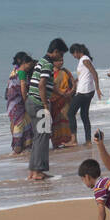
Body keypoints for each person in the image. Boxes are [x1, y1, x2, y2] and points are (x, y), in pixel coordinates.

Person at [27, 39, 68, 181]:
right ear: (55, 52)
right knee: (43, 137)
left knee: (39, 137)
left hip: (32, 102)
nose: (61, 58)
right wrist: (45, 105)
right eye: (61, 54)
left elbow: (48, 84)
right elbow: (42, 85)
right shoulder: (48, 64)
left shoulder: (42, 62)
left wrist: (61, 93)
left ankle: (33, 171)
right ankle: (38, 171)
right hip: (39, 104)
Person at [66, 44, 100, 144]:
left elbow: (94, 72)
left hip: (83, 91)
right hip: (89, 91)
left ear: (77, 51)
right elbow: (85, 75)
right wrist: (75, 81)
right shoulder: (85, 59)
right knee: (84, 115)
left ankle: (73, 140)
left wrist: (98, 88)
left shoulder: (84, 59)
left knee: (70, 113)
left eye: (73, 54)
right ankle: (88, 141)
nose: (73, 56)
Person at [6, 52, 34, 155]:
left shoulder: (14, 71)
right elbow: (22, 87)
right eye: (29, 65)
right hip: (18, 102)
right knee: (20, 123)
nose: (29, 68)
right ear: (24, 63)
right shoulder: (22, 72)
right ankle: (18, 147)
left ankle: (23, 145)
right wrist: (26, 99)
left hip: (11, 102)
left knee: (24, 121)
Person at [50, 59, 76, 147]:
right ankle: (56, 143)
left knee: (66, 119)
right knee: (55, 122)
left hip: (66, 101)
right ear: (53, 62)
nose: (61, 62)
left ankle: (68, 141)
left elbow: (73, 83)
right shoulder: (49, 73)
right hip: (54, 102)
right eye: (59, 60)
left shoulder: (65, 71)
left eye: (62, 60)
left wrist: (71, 92)